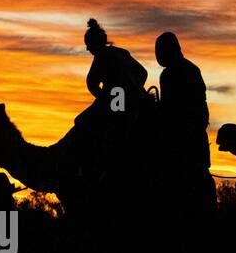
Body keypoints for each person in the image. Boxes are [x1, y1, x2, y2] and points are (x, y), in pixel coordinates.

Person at [155, 31, 215, 218]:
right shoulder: (192, 69)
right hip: (196, 139)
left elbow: (169, 111)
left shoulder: (169, 74)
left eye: (159, 52)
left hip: (181, 143)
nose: (157, 57)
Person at [76, 18, 148, 130]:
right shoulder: (123, 52)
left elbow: (91, 84)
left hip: (116, 103)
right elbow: (143, 73)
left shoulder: (101, 56)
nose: (87, 48)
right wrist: (133, 91)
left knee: (80, 121)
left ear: (94, 43)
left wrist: (106, 100)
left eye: (88, 44)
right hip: (138, 100)